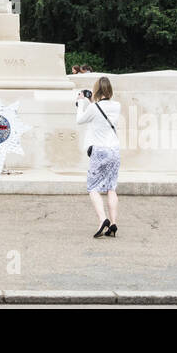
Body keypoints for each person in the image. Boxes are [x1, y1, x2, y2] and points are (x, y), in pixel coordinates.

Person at [77, 75, 122, 238]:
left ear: (96, 89)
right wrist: (91, 103)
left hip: (100, 150)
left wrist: (80, 103)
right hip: (115, 150)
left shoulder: (93, 108)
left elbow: (80, 120)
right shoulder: (117, 106)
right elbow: (101, 112)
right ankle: (114, 222)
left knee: (93, 187)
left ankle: (103, 219)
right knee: (111, 187)